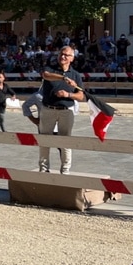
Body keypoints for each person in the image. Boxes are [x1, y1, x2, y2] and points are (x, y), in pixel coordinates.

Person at [38, 46, 85, 174]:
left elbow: (81, 95)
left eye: (66, 55)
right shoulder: (50, 69)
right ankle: (43, 168)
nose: (62, 57)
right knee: (44, 140)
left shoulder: (76, 75)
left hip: (66, 111)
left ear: (72, 58)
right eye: (61, 54)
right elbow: (46, 75)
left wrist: (68, 95)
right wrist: (62, 77)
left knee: (66, 141)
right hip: (48, 109)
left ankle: (65, 170)